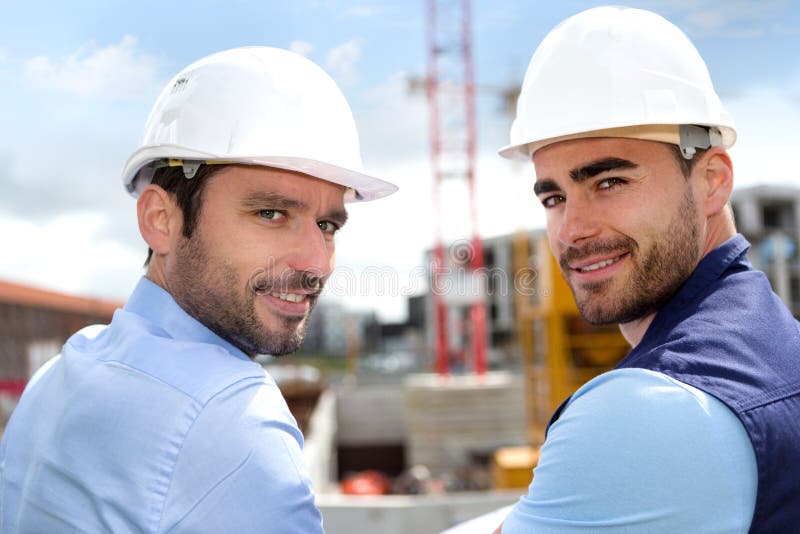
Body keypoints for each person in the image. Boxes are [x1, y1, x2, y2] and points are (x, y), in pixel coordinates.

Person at [0, 47, 397, 532]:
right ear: (160, 220)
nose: (317, 263)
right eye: (270, 214)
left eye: (328, 225)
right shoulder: (232, 414)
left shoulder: (58, 376)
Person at [489, 6, 799, 533]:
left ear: (711, 180)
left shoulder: (648, 408)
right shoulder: (777, 347)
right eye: (554, 197)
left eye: (610, 182)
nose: (572, 230)